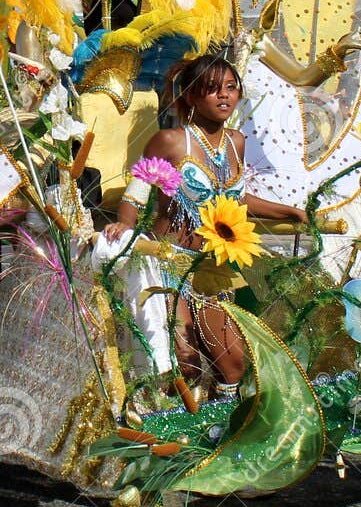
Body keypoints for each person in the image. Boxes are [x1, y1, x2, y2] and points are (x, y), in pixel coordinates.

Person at [102, 53, 305, 397]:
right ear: (192, 96)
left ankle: (221, 429)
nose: (224, 96)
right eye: (212, 89)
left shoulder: (236, 142)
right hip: (165, 262)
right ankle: (179, 434)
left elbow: (234, 200)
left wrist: (287, 211)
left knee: (233, 363)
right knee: (184, 357)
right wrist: (124, 226)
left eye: (230, 88)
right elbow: (136, 193)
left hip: (211, 267)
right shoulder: (170, 141)